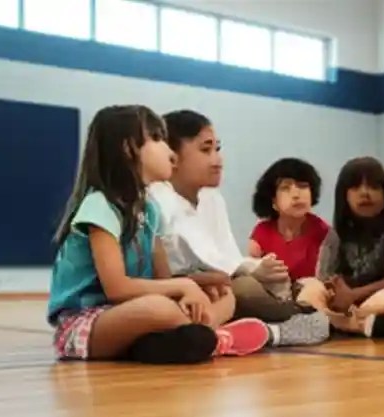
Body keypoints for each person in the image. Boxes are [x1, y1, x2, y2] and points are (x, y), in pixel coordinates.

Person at [47, 105, 270, 363]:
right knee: (159, 308)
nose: (169, 150)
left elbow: (162, 279)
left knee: (223, 293)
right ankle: (211, 336)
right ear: (129, 148)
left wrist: (198, 285)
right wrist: (184, 286)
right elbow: (117, 288)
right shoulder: (100, 205)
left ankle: (184, 339)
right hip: (88, 322)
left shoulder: (150, 210)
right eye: (157, 138)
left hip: (130, 313)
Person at [147, 110, 330, 346]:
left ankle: (261, 328)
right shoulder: (158, 200)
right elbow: (165, 273)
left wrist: (259, 269)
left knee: (260, 288)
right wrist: (227, 276)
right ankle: (270, 327)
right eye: (206, 150)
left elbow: (227, 257)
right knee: (244, 290)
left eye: (217, 149)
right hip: (186, 291)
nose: (217, 159)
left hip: (218, 287)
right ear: (173, 157)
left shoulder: (212, 198)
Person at [312, 156, 384, 336]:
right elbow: (323, 278)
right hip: (344, 305)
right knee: (310, 289)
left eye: (374, 187)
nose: (365, 193)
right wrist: (337, 293)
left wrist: (354, 294)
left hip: (379, 299)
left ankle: (348, 324)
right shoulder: (336, 233)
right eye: (355, 187)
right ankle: (349, 323)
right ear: (344, 195)